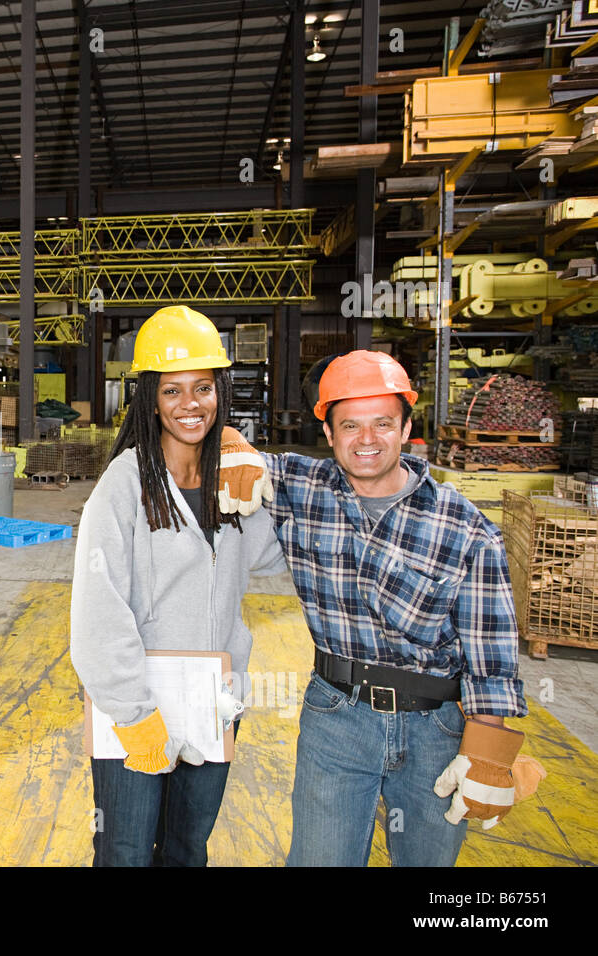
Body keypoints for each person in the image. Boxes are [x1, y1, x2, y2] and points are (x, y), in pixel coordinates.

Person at [217, 350, 540, 866]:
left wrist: (487, 755)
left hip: (435, 730)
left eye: (382, 423)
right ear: (328, 432)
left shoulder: (466, 528)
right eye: (350, 425)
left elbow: (492, 656)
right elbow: (219, 450)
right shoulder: (304, 488)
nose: (366, 440)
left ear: (408, 427)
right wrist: (231, 445)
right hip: (337, 718)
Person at [69, 305, 285, 867]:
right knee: (125, 852)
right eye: (172, 391)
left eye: (203, 388)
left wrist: (255, 461)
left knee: (189, 850)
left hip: (213, 698)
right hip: (138, 699)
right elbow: (97, 613)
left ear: (221, 391)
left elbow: (279, 552)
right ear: (149, 398)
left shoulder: (232, 483)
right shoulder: (124, 486)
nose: (190, 405)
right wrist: (132, 712)